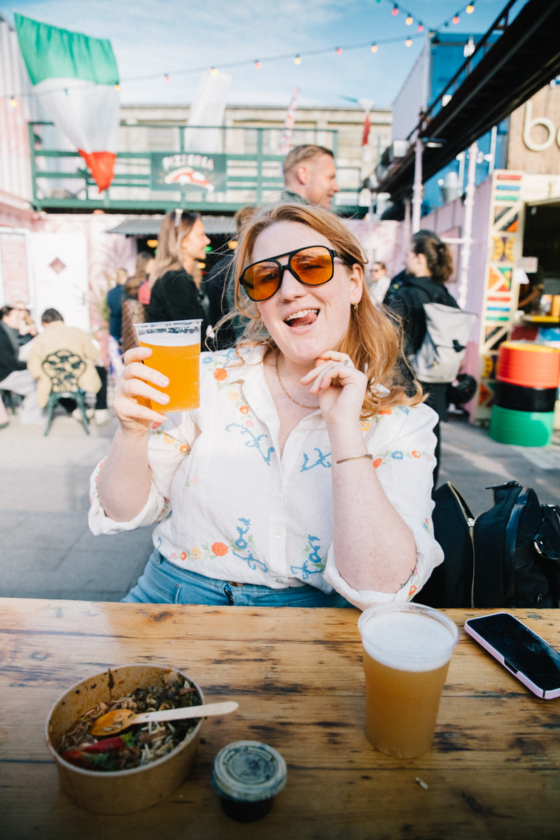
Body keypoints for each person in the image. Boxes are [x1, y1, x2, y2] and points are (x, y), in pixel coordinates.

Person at [90, 203, 443, 610]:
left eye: (311, 265)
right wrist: (131, 432)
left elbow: (380, 588)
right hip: (171, 597)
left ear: (354, 282)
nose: (289, 290)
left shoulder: (402, 421)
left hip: (310, 617)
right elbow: (122, 511)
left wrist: (344, 428)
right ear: (258, 301)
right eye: (267, 277)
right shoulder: (203, 381)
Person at [386, 230, 458, 485]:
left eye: (407, 255)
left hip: (408, 381)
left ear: (418, 258)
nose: (405, 261)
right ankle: (429, 497)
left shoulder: (406, 293)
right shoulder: (445, 294)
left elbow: (389, 339)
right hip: (438, 378)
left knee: (403, 442)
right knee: (431, 439)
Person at [27, 308, 110, 426]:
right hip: (80, 376)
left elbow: (34, 369)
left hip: (56, 381)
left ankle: (75, 410)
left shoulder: (39, 339)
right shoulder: (77, 332)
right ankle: (101, 411)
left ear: (44, 324)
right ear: (61, 320)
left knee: (48, 383)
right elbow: (93, 354)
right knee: (101, 371)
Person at [147, 212, 212, 345]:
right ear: (183, 241)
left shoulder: (180, 278)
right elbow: (193, 337)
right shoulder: (173, 280)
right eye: (201, 235)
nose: (207, 240)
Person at [205, 206, 259, 347]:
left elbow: (214, 318)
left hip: (226, 348)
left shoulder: (218, 269)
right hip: (251, 346)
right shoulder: (259, 269)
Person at [0, 304, 43, 425]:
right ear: (5, 317)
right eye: (16, 317)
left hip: (8, 371)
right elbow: (10, 362)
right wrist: (29, 367)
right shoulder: (3, 334)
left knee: (39, 377)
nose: (20, 320)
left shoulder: (10, 332)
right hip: (5, 375)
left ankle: (30, 414)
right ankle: (29, 416)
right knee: (40, 381)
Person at [281, 145, 340, 209]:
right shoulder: (296, 217)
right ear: (303, 175)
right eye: (330, 177)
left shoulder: (277, 214)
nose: (336, 188)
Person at [106, 268, 128, 344]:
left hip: (114, 326)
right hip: (125, 326)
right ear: (124, 277)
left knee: (116, 353)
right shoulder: (126, 292)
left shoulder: (110, 292)